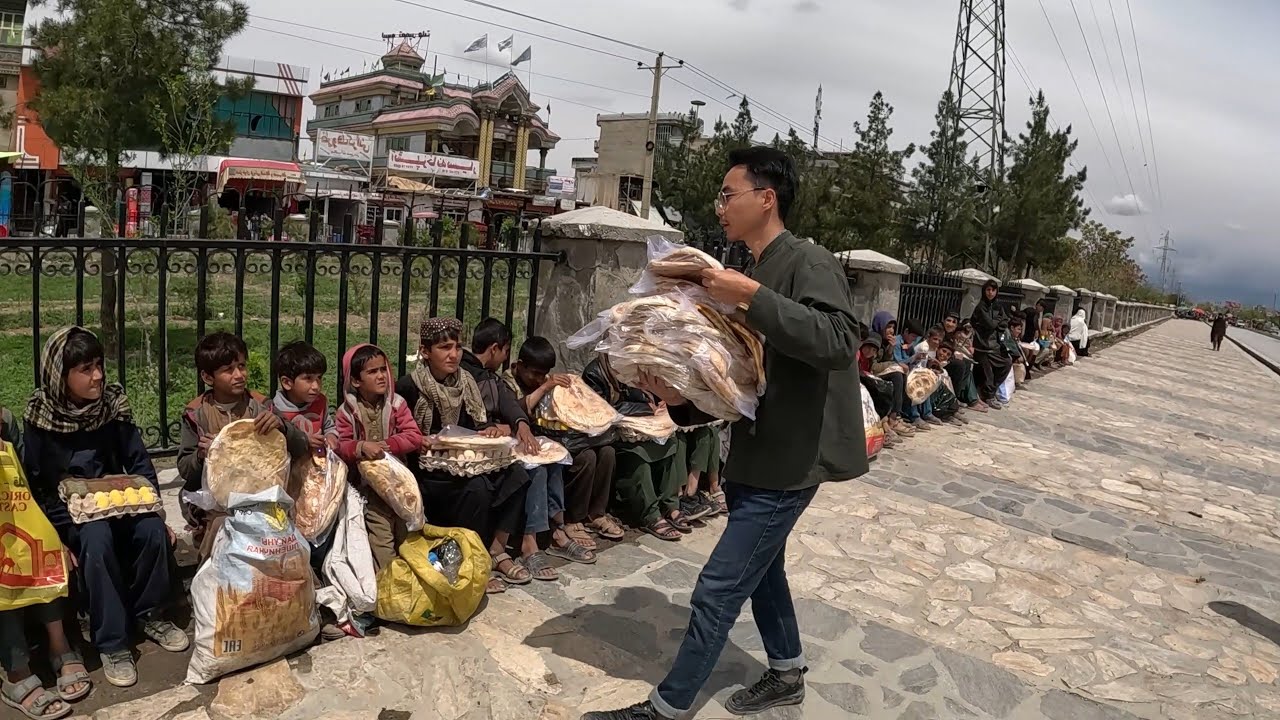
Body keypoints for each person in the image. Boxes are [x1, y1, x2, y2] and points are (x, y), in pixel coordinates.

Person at [585, 146, 866, 720]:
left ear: (767, 198)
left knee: (717, 589)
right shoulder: (753, 270)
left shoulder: (805, 262)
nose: (719, 206)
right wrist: (678, 398)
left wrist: (751, 297)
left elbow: (839, 340)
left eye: (727, 193)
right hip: (756, 455)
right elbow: (740, 383)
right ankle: (786, 672)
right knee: (765, 571)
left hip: (789, 463)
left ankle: (667, 708)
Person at [22, 327, 186, 688]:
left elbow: (139, 462)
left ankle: (151, 615)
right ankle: (112, 642)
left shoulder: (111, 405)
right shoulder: (41, 416)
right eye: (85, 369)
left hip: (117, 501)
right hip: (67, 515)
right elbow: (36, 486)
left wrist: (155, 510)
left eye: (98, 365)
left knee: (150, 531)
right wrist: (56, 541)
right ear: (59, 375)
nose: (97, 376)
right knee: (95, 539)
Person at [396, 318, 531, 594]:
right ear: (425, 351)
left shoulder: (466, 382)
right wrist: (420, 440)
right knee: (477, 489)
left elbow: (474, 427)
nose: (453, 354)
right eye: (444, 347)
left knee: (518, 473)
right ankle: (464, 560)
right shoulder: (410, 386)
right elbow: (401, 432)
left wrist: (489, 432)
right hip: (428, 468)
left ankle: (494, 550)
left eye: (457, 347)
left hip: (463, 461)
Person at [463, 318, 594, 574]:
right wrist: (496, 427)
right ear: (495, 349)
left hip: (505, 438)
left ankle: (557, 530)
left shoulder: (489, 377)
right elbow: (470, 418)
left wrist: (520, 423)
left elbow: (510, 407)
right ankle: (528, 544)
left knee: (552, 460)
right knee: (535, 469)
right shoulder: (469, 377)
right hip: (484, 446)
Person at [177, 332, 308, 560]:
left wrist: (283, 427)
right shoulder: (196, 414)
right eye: (228, 370)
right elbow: (185, 470)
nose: (239, 375)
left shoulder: (261, 407)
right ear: (208, 377)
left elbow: (301, 447)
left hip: (262, 499)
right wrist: (201, 455)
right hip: (215, 504)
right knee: (221, 526)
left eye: (242, 366)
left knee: (280, 531)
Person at [0, 406, 91, 718]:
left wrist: (52, 535)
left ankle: (59, 646)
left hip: (13, 520)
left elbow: (26, 485)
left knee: (44, 552)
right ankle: (17, 672)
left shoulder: (5, 420)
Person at [507, 336, 624, 544]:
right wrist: (545, 387)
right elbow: (515, 410)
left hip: (553, 437)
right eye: (535, 374)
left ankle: (596, 514)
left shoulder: (546, 380)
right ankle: (572, 519)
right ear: (521, 366)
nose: (539, 379)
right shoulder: (507, 383)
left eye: (543, 375)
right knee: (585, 458)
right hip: (526, 445)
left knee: (607, 452)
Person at [334, 343, 424, 572]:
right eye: (372, 372)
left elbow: (414, 436)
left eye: (383, 369)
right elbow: (341, 446)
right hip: (370, 492)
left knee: (409, 536)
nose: (381, 376)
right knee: (381, 541)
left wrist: (388, 445)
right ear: (355, 381)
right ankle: (389, 585)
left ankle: (412, 583)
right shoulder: (347, 413)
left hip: (400, 486)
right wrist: (361, 447)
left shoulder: (397, 405)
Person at [582, 354, 690, 541]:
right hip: (610, 433)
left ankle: (670, 505)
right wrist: (647, 408)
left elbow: (642, 394)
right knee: (637, 454)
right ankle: (650, 514)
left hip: (636, 426)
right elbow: (605, 408)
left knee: (670, 443)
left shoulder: (630, 365)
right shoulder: (594, 373)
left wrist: (660, 400)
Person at [970, 279, 1011, 408]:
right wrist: (998, 320)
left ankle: (990, 390)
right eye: (988, 290)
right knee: (987, 371)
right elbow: (990, 324)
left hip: (995, 345)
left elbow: (1004, 322)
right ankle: (988, 396)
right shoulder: (981, 307)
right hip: (982, 346)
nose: (990, 293)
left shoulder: (998, 306)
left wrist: (998, 322)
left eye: (993, 290)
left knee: (1006, 363)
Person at [894, 320, 941, 428]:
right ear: (906, 331)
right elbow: (898, 361)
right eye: (913, 336)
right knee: (915, 383)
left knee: (927, 379)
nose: (914, 340)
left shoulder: (908, 344)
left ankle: (927, 412)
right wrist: (914, 357)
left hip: (911, 369)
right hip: (900, 371)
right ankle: (914, 416)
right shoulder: (897, 342)